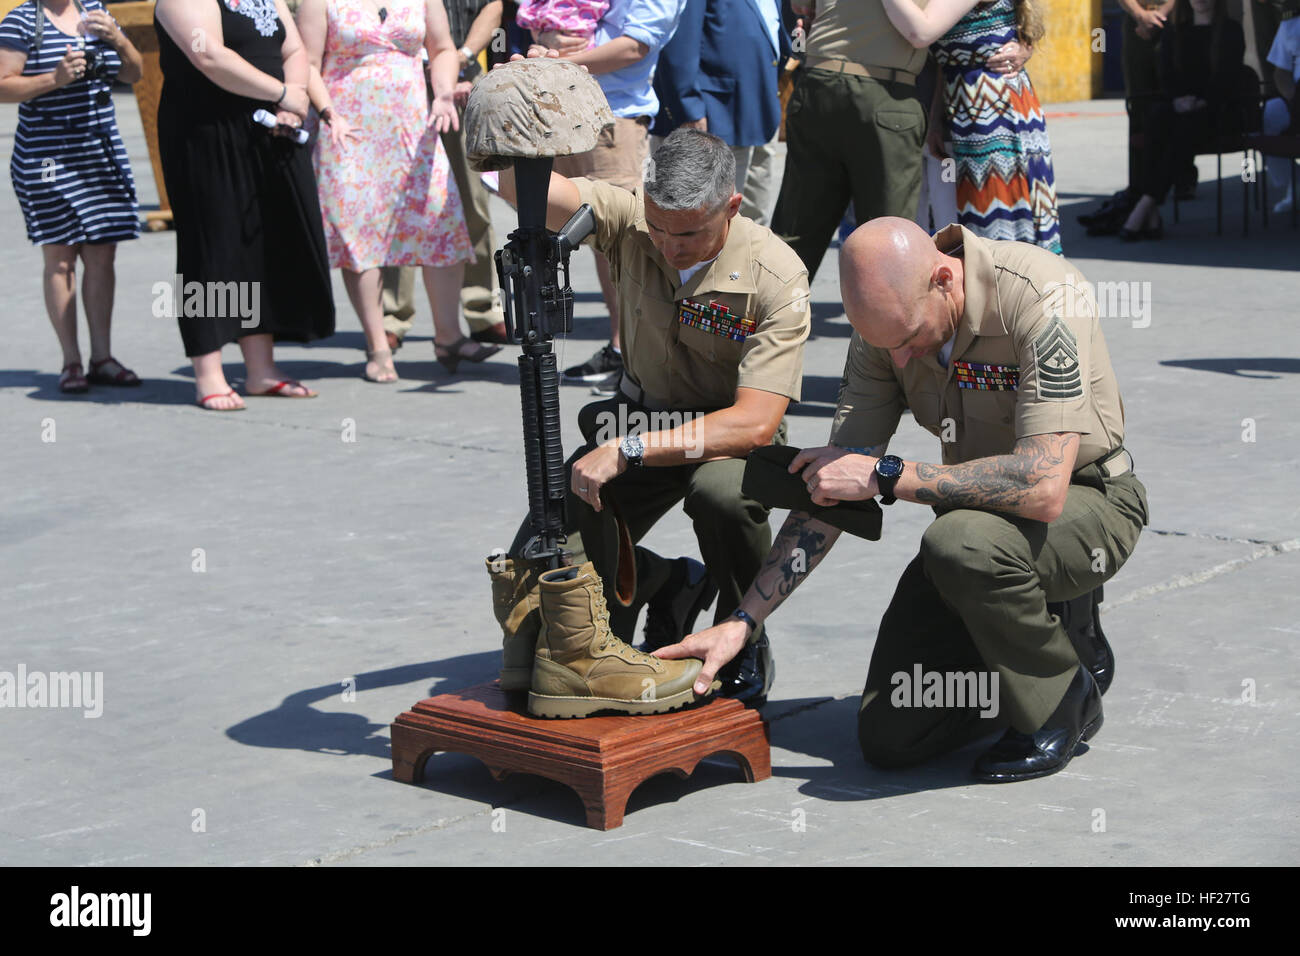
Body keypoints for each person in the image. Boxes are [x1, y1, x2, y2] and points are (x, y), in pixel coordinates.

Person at [662, 216, 1149, 782]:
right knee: (896, 732)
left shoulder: (1041, 295)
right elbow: (837, 487)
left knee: (960, 542)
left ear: (944, 280)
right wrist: (744, 620)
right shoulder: (885, 328)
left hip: (1087, 499)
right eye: (882, 343)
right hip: (980, 528)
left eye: (908, 339)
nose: (898, 359)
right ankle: (1038, 642)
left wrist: (889, 474)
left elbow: (1042, 488)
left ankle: (1064, 697)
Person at [494, 121, 810, 707]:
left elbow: (755, 423)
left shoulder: (777, 274)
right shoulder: (631, 218)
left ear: (732, 206)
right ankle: (665, 584)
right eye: (658, 227)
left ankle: (743, 636)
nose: (667, 245)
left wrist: (628, 450)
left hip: (725, 437)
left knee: (724, 499)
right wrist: (518, 110)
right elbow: (519, 187)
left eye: (688, 234)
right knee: (542, 558)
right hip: (636, 419)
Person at [297, 0, 496, 384]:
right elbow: (306, 62)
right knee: (360, 236)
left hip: (412, 124)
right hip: (349, 127)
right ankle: (378, 347)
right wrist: (327, 113)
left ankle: (449, 336)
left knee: (439, 222)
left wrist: (441, 93)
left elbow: (441, 49)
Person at [154, 0, 335, 410]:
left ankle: (261, 369)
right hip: (207, 132)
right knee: (213, 245)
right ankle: (209, 372)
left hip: (270, 129)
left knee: (263, 244)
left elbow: (294, 51)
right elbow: (209, 55)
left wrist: (293, 101)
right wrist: (285, 93)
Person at [535, 0, 687, 390]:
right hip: (566, 111)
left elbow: (635, 45)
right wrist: (545, 37)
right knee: (594, 239)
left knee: (624, 239)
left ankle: (640, 360)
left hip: (610, 119)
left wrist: (560, 62)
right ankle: (623, 351)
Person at [0, 0, 143, 394]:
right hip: (47, 158)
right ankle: (71, 362)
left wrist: (118, 40)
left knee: (102, 254)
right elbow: (2, 85)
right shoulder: (21, 21)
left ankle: (103, 358)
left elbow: (135, 73)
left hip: (100, 153)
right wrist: (55, 78)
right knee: (60, 258)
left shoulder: (97, 12)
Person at [882, 0, 1062, 254]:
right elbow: (948, 61)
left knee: (999, 222)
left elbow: (920, 33)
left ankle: (1013, 285)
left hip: (994, 109)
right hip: (968, 104)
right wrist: (935, 121)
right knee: (978, 221)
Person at [769, 0, 928, 282]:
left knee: (795, 233)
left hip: (821, 81)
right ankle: (881, 323)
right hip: (887, 93)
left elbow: (801, 7)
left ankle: (763, 320)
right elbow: (931, 33)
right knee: (888, 242)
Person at [650, 0, 790, 226]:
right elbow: (679, 43)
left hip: (758, 112)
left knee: (750, 226)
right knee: (705, 223)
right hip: (714, 116)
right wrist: (690, 109)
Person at [1120, 0, 1246, 239]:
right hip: (1180, 104)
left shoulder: (1230, 30)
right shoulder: (1176, 30)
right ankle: (1152, 212)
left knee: (1184, 127)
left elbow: (1227, 78)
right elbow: (1166, 73)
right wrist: (1178, 99)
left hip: (1216, 109)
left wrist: (1201, 101)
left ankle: (1146, 204)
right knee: (1158, 119)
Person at [1262, 2, 1300, 212]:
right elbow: (1281, 72)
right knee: (1266, 116)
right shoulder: (1292, 24)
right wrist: (1292, 99)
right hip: (1296, 97)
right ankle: (1294, 185)